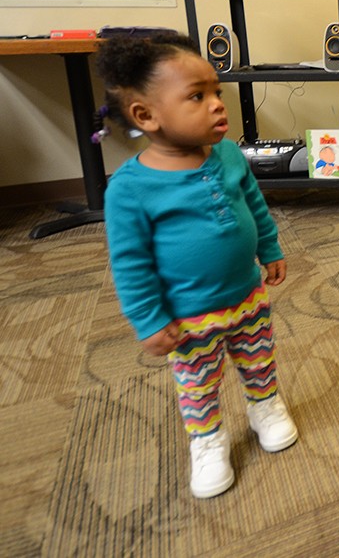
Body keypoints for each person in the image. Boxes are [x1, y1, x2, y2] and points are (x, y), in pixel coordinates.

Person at [95, 33, 299, 499]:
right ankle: (208, 440)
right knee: (199, 383)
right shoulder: (130, 188)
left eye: (217, 93)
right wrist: (148, 321)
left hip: (247, 295)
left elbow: (253, 203)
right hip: (188, 317)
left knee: (259, 360)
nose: (216, 105)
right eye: (197, 96)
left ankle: (263, 406)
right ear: (146, 116)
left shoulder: (228, 153)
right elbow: (130, 263)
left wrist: (270, 248)